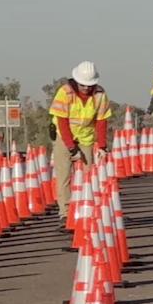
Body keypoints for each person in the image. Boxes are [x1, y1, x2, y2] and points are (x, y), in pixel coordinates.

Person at [49, 61, 112, 231]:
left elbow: (101, 122)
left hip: (86, 137)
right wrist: (71, 148)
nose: (86, 88)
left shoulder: (100, 94)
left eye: (89, 85)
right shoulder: (65, 92)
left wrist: (102, 146)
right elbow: (62, 122)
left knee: (88, 174)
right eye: (83, 84)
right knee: (63, 175)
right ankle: (65, 213)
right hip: (64, 136)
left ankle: (87, 210)